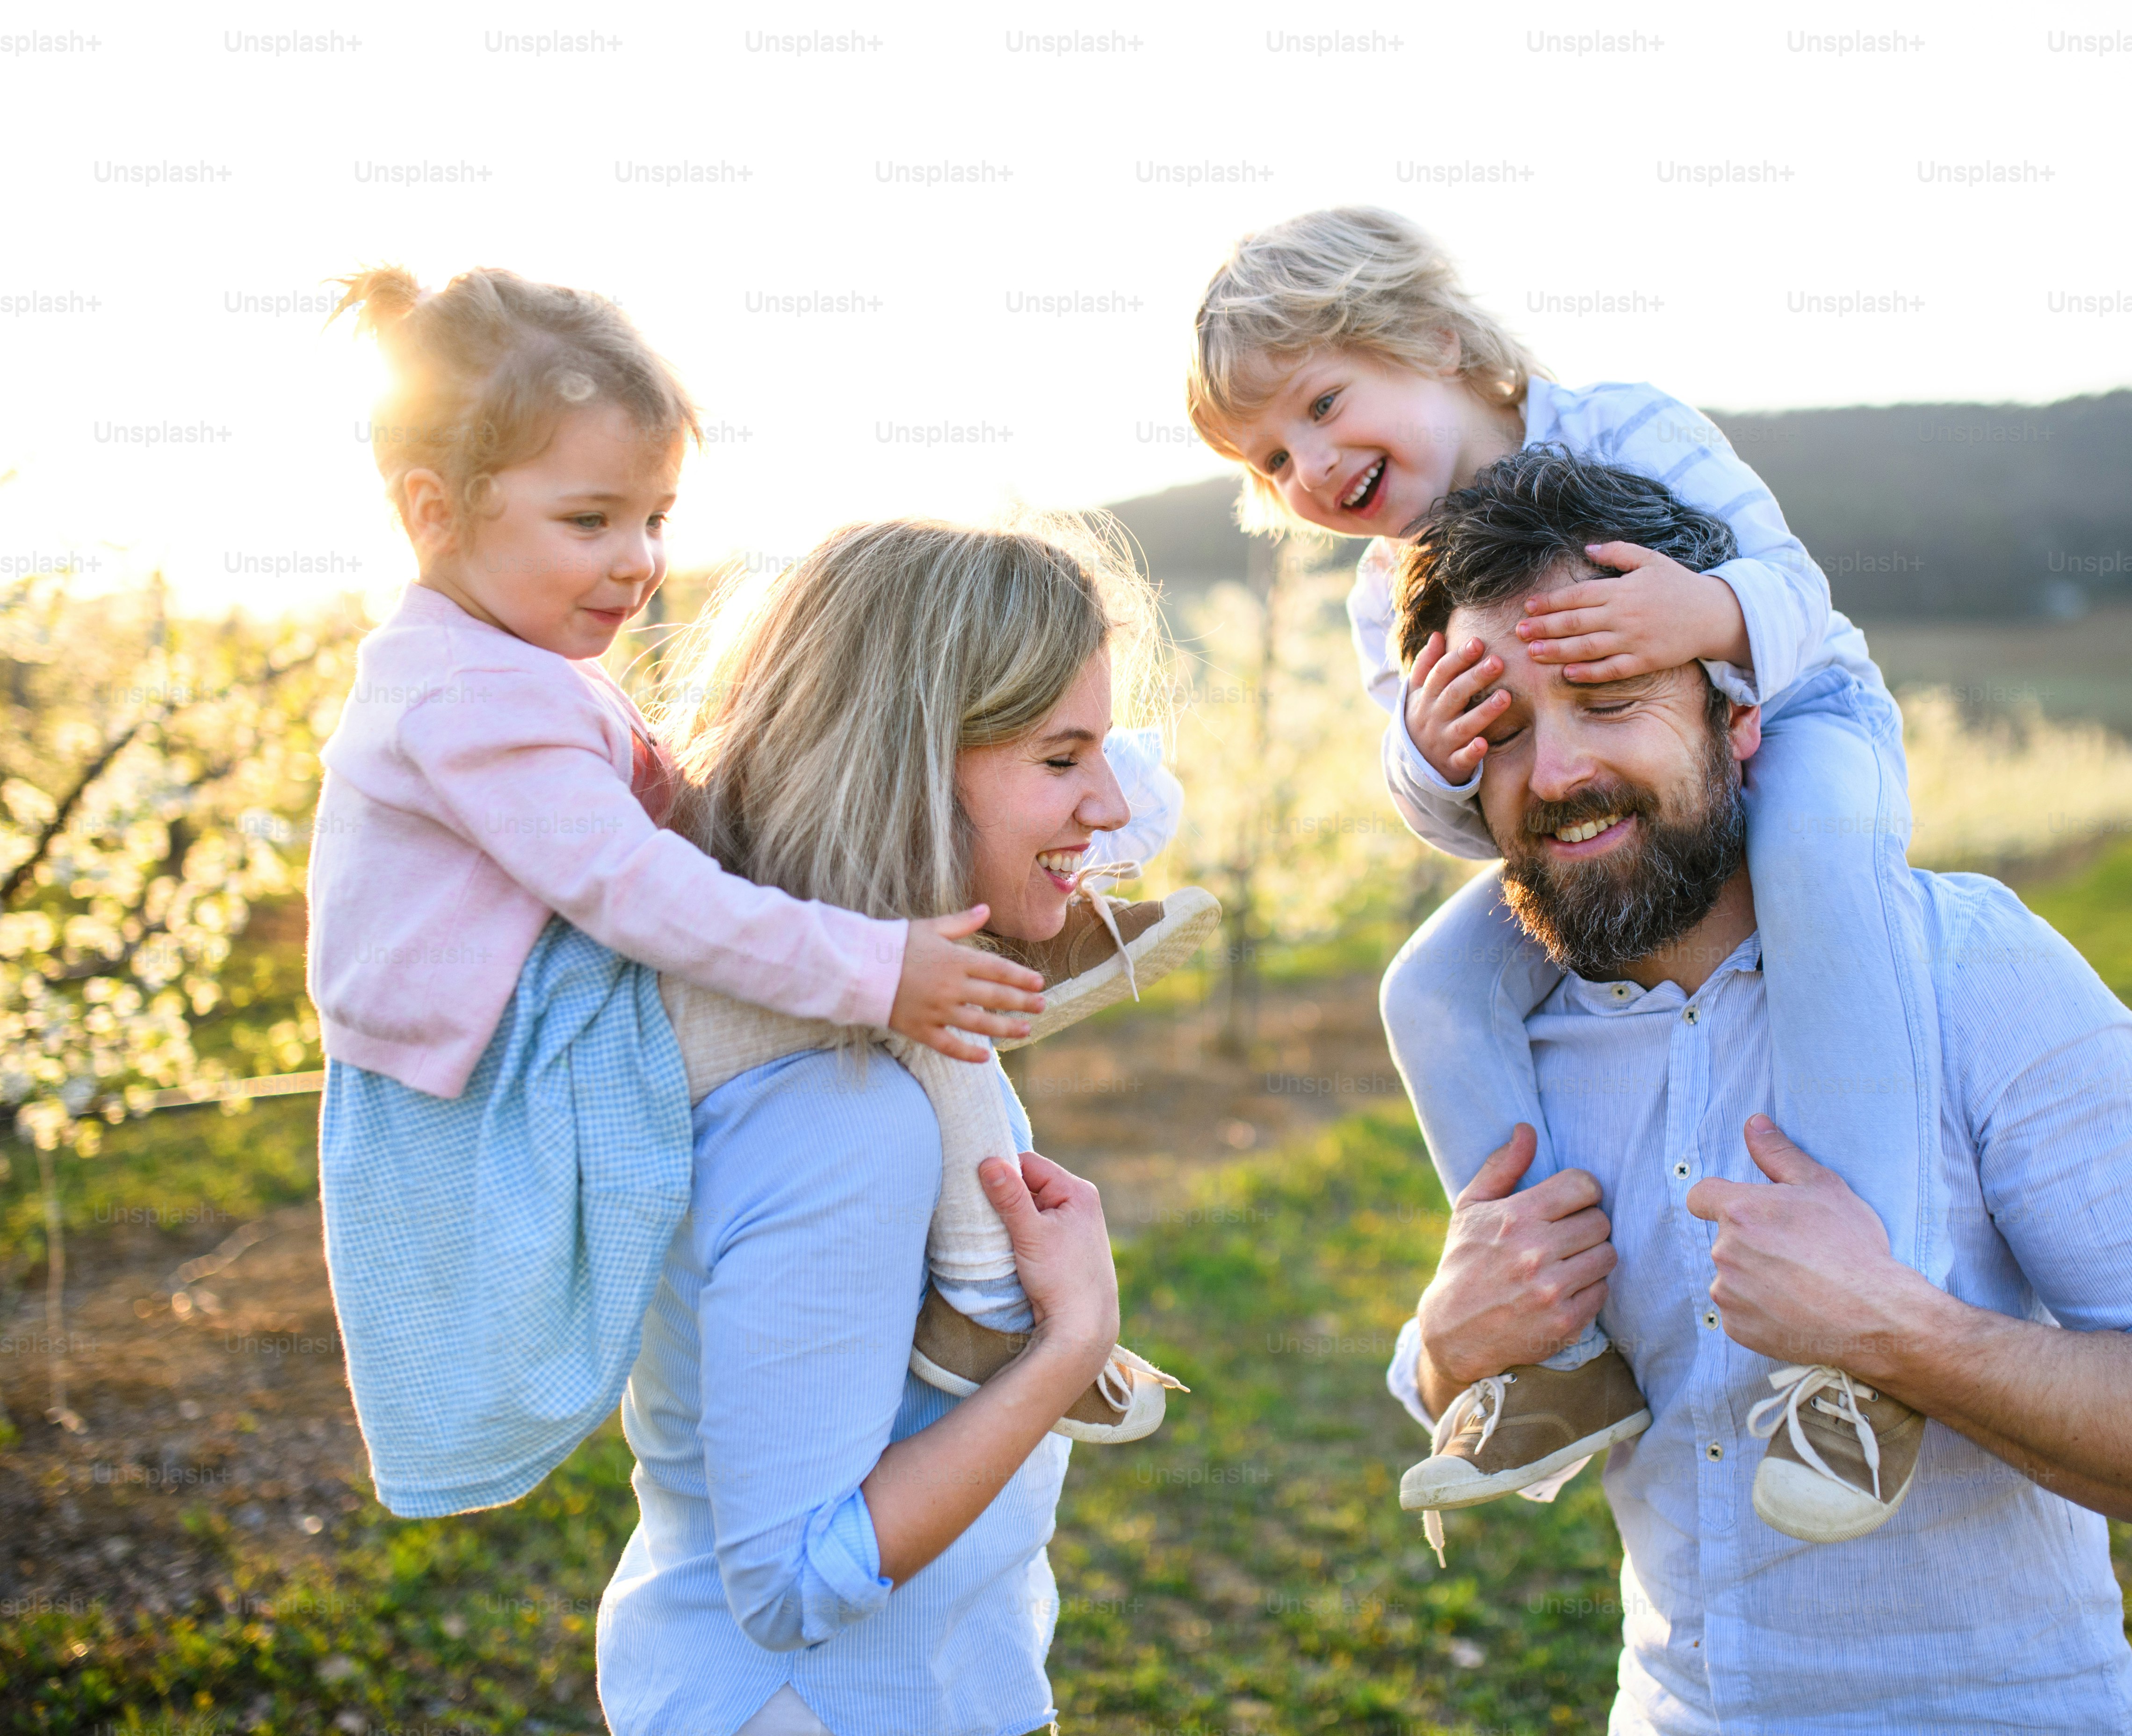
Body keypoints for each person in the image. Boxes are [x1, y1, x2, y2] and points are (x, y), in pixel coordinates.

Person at [1382, 446, 2132, 1730]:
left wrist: (1899, 1333)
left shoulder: (1976, 976)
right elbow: (1466, 1373)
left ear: (1739, 712)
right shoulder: (1504, 1036)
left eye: (1607, 698)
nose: (1553, 775)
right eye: (1500, 732)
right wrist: (1444, 1352)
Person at [307, 266, 1204, 1519]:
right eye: (591, 522)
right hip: (529, 1063)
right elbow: (638, 889)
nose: (637, 563)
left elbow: (672, 828)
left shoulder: (501, 664)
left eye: (657, 519)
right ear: (431, 511)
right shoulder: (470, 695)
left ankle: (1006, 949)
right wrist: (875, 967)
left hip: (564, 1015)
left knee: (883, 963)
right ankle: (984, 1301)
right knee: (891, 1006)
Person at [1185, 207, 1945, 1540]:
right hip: (1606, 820)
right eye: (1270, 459)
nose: (1309, 465)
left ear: (1431, 339)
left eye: (1321, 403)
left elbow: (1799, 595)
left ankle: (1862, 1345)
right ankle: (1559, 1358)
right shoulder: (1389, 595)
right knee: (1428, 989)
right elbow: (1480, 824)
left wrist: (1699, 615)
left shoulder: (1622, 429)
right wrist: (1426, 754)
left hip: (1804, 727)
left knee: (1823, 875)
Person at [596, 514, 1167, 1736]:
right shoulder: (834, 1119)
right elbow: (792, 1581)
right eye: (1062, 758)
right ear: (910, 766)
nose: (1109, 802)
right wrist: (1073, 1346)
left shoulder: (875, 1051)